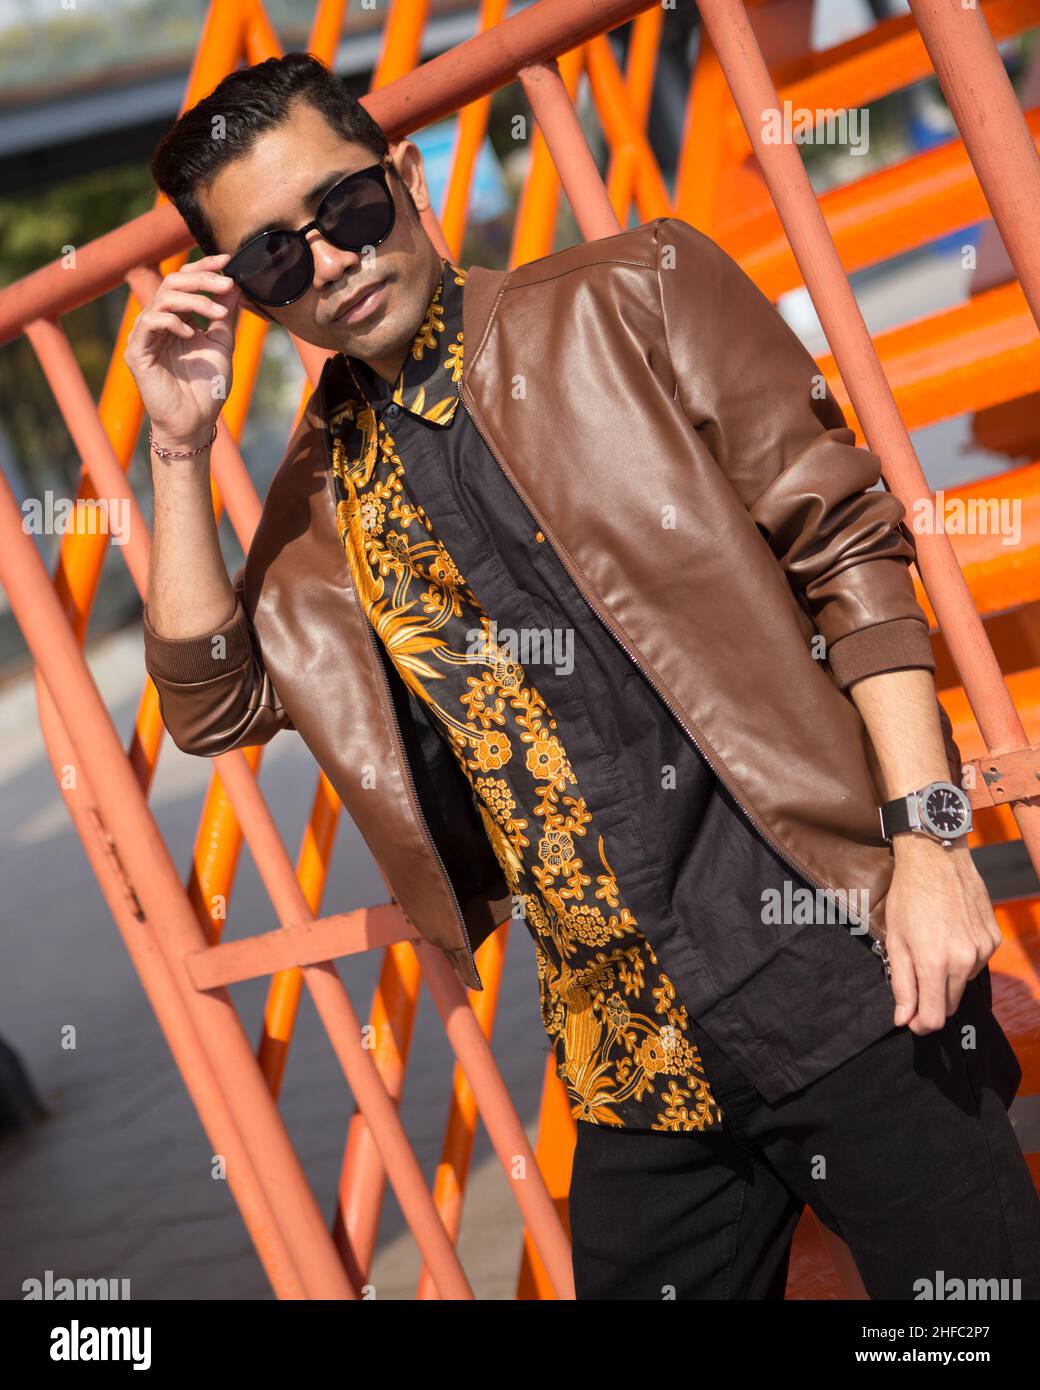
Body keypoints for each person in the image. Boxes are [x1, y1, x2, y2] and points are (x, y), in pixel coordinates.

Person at [126, 51, 1040, 1299]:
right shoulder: (319, 506)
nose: (331, 260)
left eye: (343, 209)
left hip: (846, 970)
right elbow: (211, 703)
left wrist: (932, 845)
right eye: (279, 255)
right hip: (635, 1062)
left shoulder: (635, 297)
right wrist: (178, 450)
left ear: (405, 180)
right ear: (253, 296)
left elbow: (848, 548)